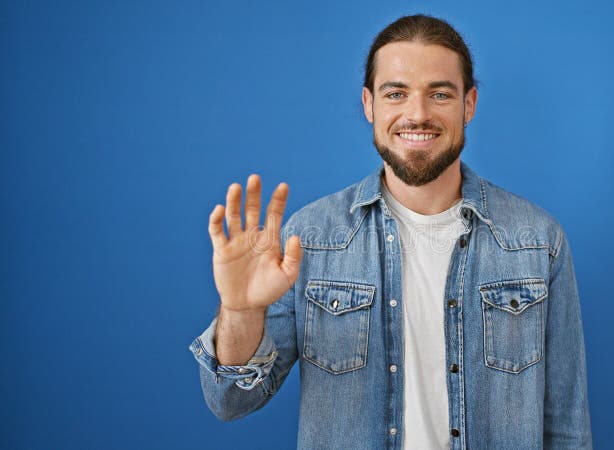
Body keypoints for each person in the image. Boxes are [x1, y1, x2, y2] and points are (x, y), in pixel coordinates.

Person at [189, 14, 592, 450]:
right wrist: (241, 310)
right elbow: (229, 399)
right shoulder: (309, 238)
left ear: (469, 104)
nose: (417, 114)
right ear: (369, 105)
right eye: (396, 93)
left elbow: (566, 426)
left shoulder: (538, 241)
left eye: (440, 94)